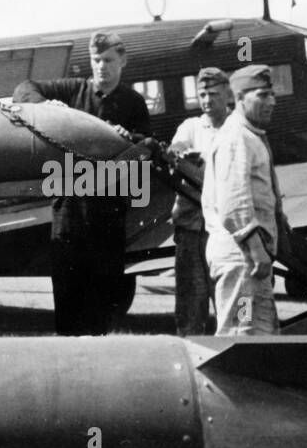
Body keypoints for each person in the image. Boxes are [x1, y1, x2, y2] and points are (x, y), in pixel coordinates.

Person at [13, 31, 150, 336]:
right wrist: (46, 107)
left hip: (109, 215)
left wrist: (125, 138)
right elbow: (24, 88)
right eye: (96, 60)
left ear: (123, 60)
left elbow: (145, 148)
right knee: (68, 300)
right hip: (68, 213)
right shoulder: (73, 90)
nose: (101, 67)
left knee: (106, 303)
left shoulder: (133, 102)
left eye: (109, 60)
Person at [202, 64, 283, 336]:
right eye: (262, 95)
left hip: (248, 261)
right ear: (239, 98)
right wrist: (256, 248)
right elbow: (233, 200)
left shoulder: (248, 135)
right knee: (240, 335)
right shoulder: (236, 137)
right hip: (242, 260)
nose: (271, 102)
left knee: (258, 334)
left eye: (272, 95)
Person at [169, 67, 230, 335]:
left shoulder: (237, 127)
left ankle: (238, 348)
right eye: (202, 94)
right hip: (191, 229)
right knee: (190, 300)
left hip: (226, 229)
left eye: (213, 94)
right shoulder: (191, 127)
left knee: (229, 294)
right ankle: (189, 351)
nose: (206, 100)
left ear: (227, 94)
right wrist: (180, 157)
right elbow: (174, 151)